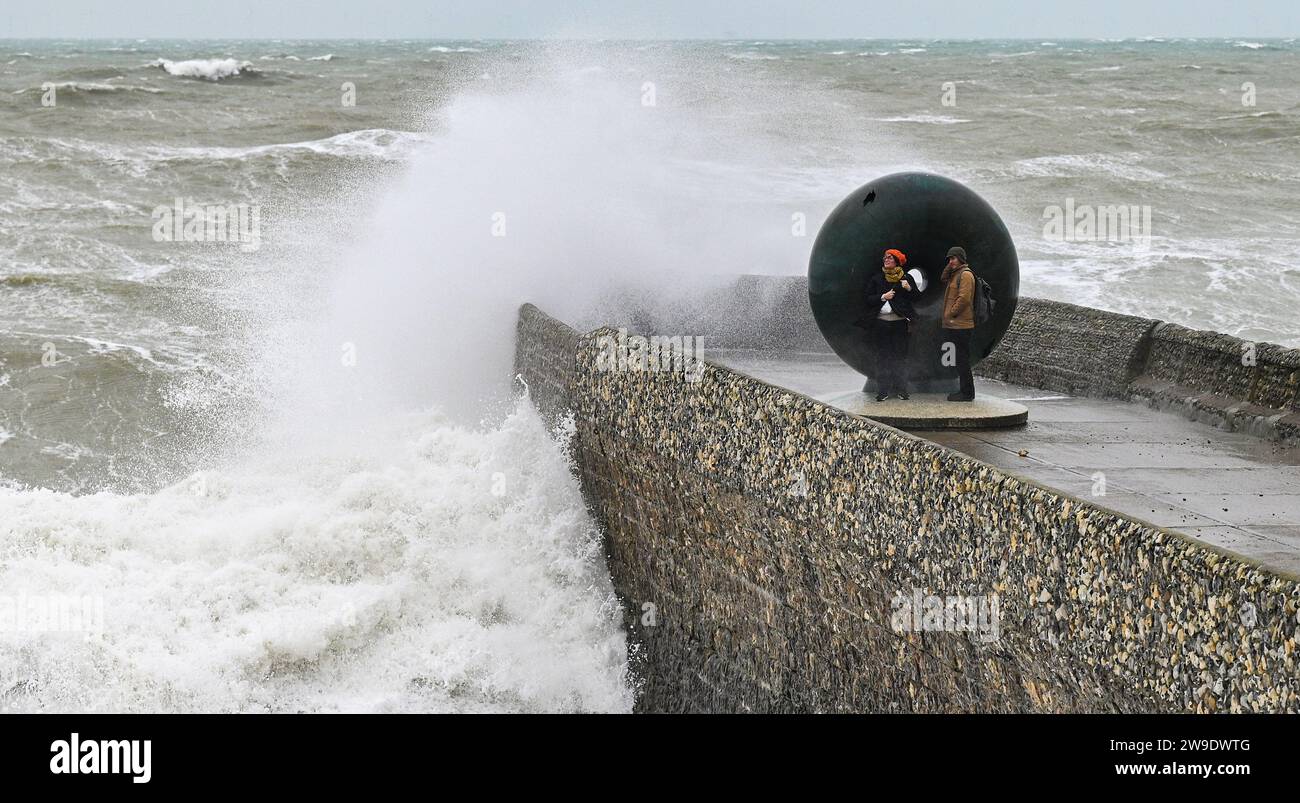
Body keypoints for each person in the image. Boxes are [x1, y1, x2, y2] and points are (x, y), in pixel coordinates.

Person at [863, 248, 927, 401]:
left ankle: (902, 390)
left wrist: (909, 288)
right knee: (882, 357)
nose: (886, 259)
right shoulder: (877, 279)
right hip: (881, 323)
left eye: (890, 258)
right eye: (885, 257)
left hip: (899, 324)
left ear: (897, 261)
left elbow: (917, 298)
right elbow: (867, 298)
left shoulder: (906, 279)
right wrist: (882, 297)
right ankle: (883, 391)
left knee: (900, 357)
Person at [941, 246, 976, 402]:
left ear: (961, 258)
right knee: (960, 359)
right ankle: (965, 391)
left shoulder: (966, 275)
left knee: (962, 360)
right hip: (955, 324)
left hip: (961, 325)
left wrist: (951, 313)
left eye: (953, 258)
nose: (950, 261)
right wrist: (950, 265)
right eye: (949, 259)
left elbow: (964, 298)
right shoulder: (955, 274)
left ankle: (967, 393)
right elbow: (943, 278)